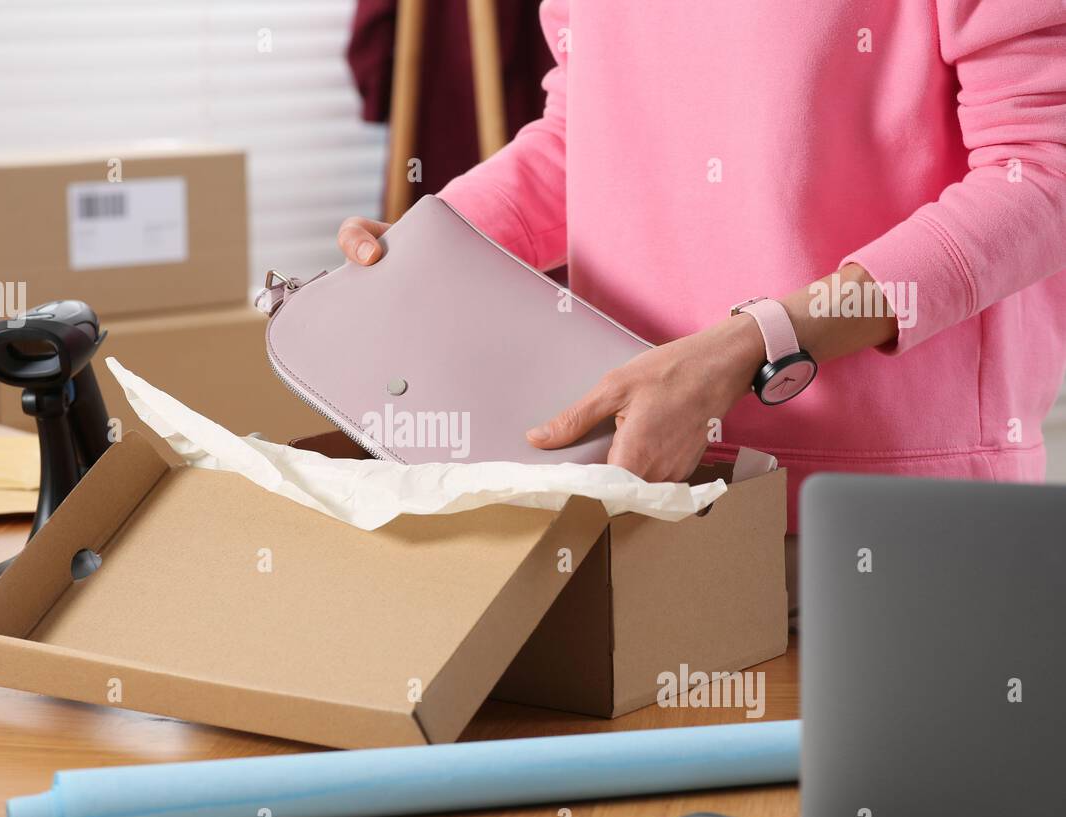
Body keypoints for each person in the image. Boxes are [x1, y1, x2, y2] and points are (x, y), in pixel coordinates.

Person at [336, 0, 1066, 567]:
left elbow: (1040, 173)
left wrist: (753, 345)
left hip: (886, 513)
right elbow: (582, 134)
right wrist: (426, 248)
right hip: (637, 485)